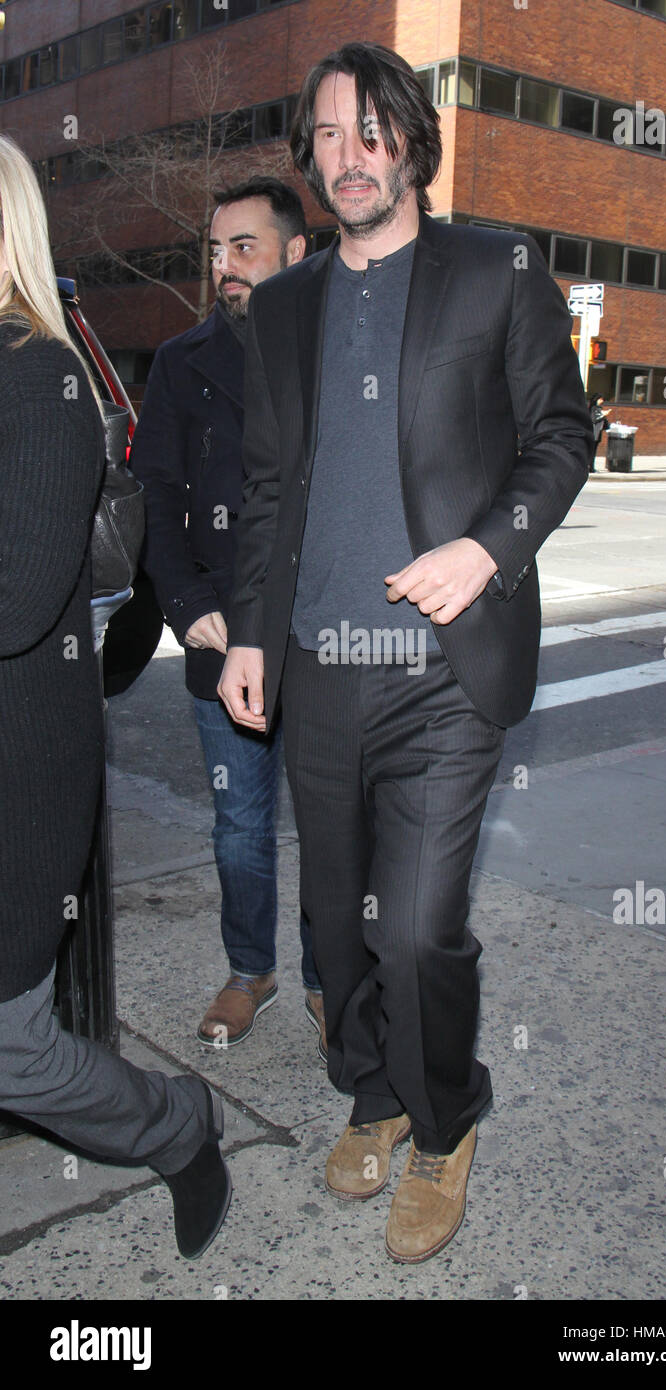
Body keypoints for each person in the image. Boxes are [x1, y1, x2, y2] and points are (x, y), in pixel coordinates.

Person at [219, 42, 593, 1263]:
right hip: (319, 668)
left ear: (410, 139)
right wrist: (252, 637)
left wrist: (486, 550)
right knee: (336, 925)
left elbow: (560, 438)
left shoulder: (495, 271)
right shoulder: (282, 305)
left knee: (419, 926)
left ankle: (442, 1123)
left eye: (368, 129)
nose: (347, 155)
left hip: (442, 671)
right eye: (325, 137)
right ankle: (370, 1091)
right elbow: (269, 488)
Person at [0, 133, 230, 1260]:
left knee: (10, 1041)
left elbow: (17, 599)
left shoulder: (35, 374)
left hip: (17, 776)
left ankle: (174, 1121)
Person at [130, 179, 326, 1056]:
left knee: (332, 826)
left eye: (242, 246)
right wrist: (188, 607)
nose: (222, 266)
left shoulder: (333, 350)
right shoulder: (181, 361)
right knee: (239, 823)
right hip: (222, 635)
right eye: (214, 250)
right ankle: (253, 970)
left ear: (294, 253)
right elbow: (155, 496)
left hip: (326, 636)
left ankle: (330, 979)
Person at [588, 392, 611, 470]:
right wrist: (604, 415)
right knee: (592, 451)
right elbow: (594, 419)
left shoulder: (598, 408)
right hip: (594, 433)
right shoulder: (594, 408)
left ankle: (591, 466)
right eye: (600, 399)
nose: (602, 401)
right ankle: (590, 467)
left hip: (598, 433)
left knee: (594, 451)